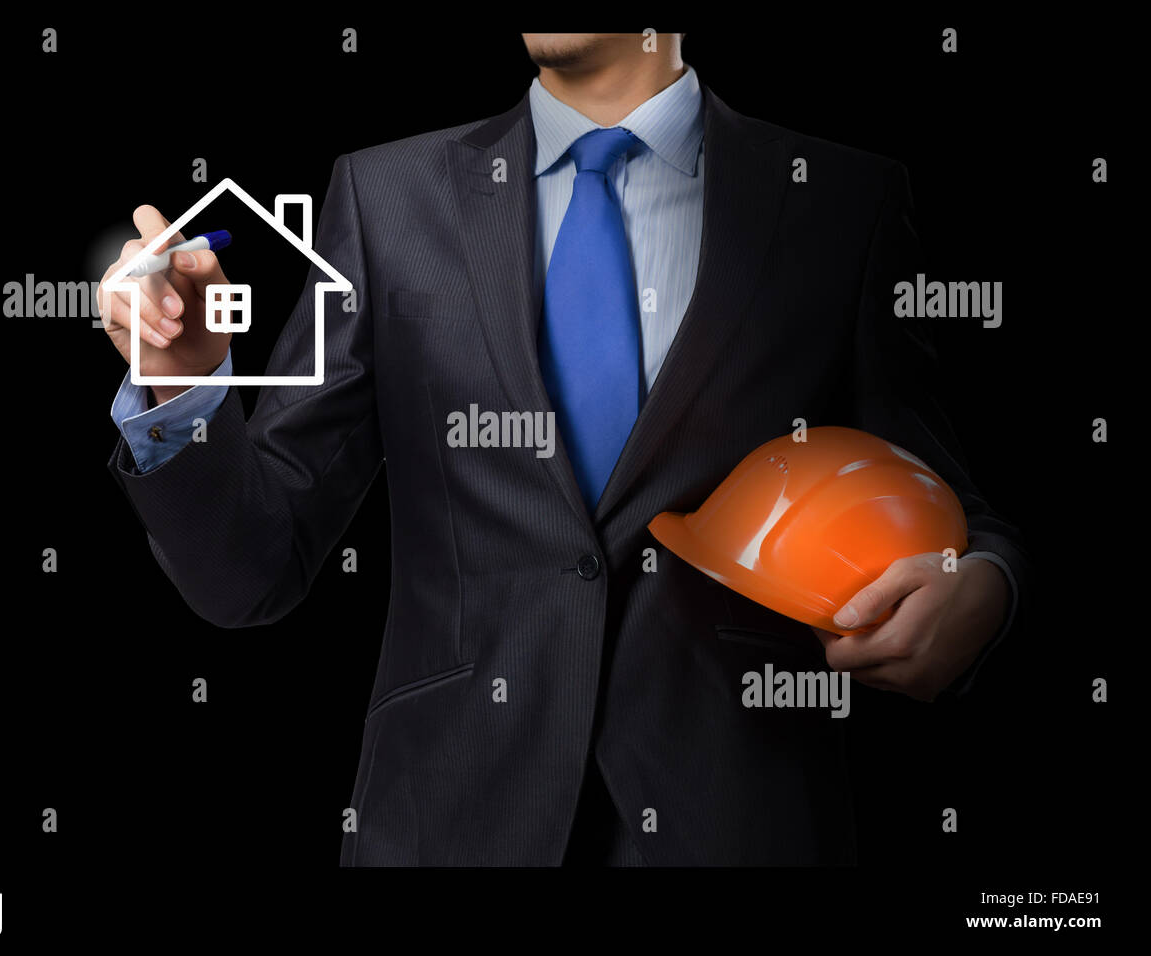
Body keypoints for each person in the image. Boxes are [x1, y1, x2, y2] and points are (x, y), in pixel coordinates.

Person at [98, 33, 1024, 866]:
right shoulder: (386, 200)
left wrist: (983, 585)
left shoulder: (842, 203)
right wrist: (184, 390)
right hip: (448, 822)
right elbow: (252, 572)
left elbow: (939, 498)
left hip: (740, 817)